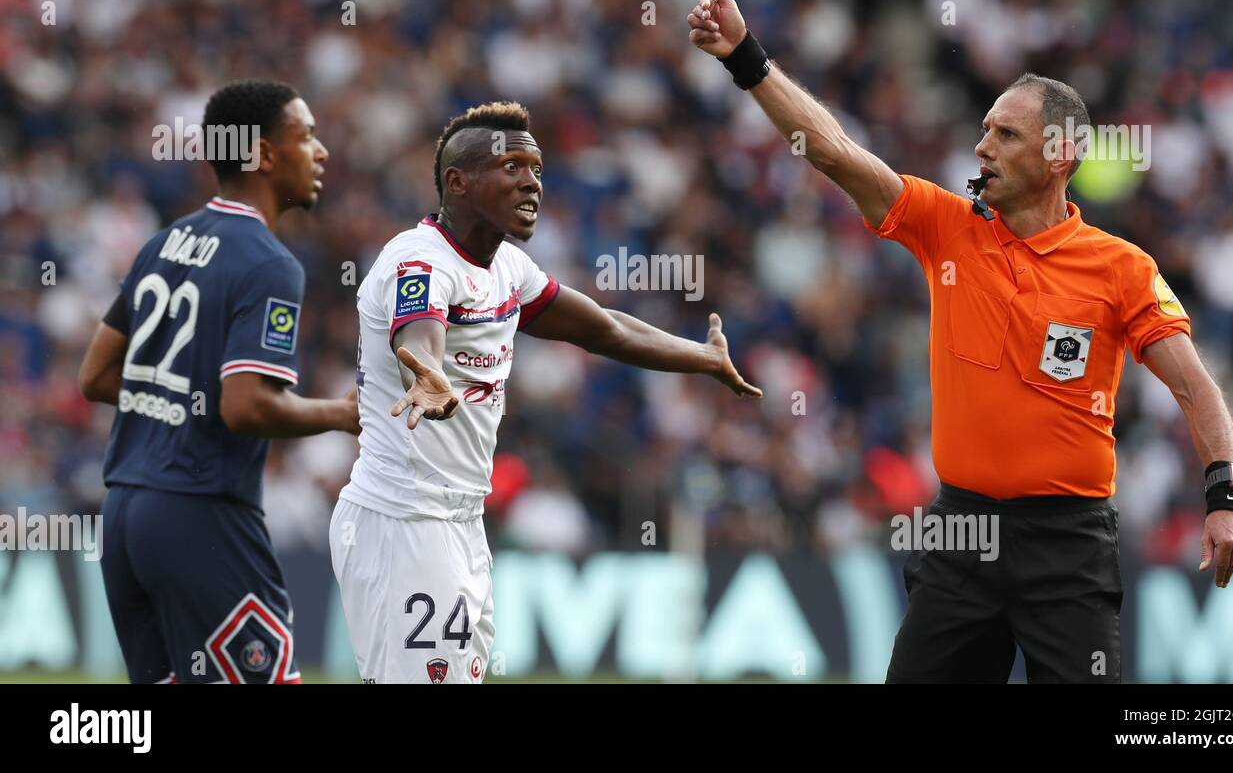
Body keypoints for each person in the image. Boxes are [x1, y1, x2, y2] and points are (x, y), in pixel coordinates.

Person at [687, 0, 1233, 684]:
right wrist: (747, 57)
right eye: (984, 127)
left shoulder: (1121, 268)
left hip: (1067, 547)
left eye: (1005, 133)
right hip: (961, 537)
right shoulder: (944, 227)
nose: (982, 145)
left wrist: (1226, 498)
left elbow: (1194, 386)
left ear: (1059, 157)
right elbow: (832, 150)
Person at [329, 100, 761, 683]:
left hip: (459, 521)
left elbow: (604, 327)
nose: (533, 182)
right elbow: (420, 335)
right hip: (404, 520)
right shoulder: (419, 261)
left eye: (536, 169)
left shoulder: (508, 267)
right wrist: (427, 374)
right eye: (513, 168)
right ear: (458, 182)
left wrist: (702, 358)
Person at [78, 79, 360, 684]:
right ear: (262, 154)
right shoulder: (268, 262)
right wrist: (342, 414)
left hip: (126, 515)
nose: (321, 151)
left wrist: (172, 403)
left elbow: (95, 374)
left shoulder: (164, 243)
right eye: (305, 135)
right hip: (201, 517)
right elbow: (247, 406)